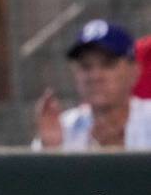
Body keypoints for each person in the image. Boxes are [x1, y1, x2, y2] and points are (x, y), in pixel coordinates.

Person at [34, 21, 151, 151]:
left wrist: (116, 151)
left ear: (134, 72)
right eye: (86, 66)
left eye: (108, 64)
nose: (95, 76)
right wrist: (52, 150)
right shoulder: (63, 128)